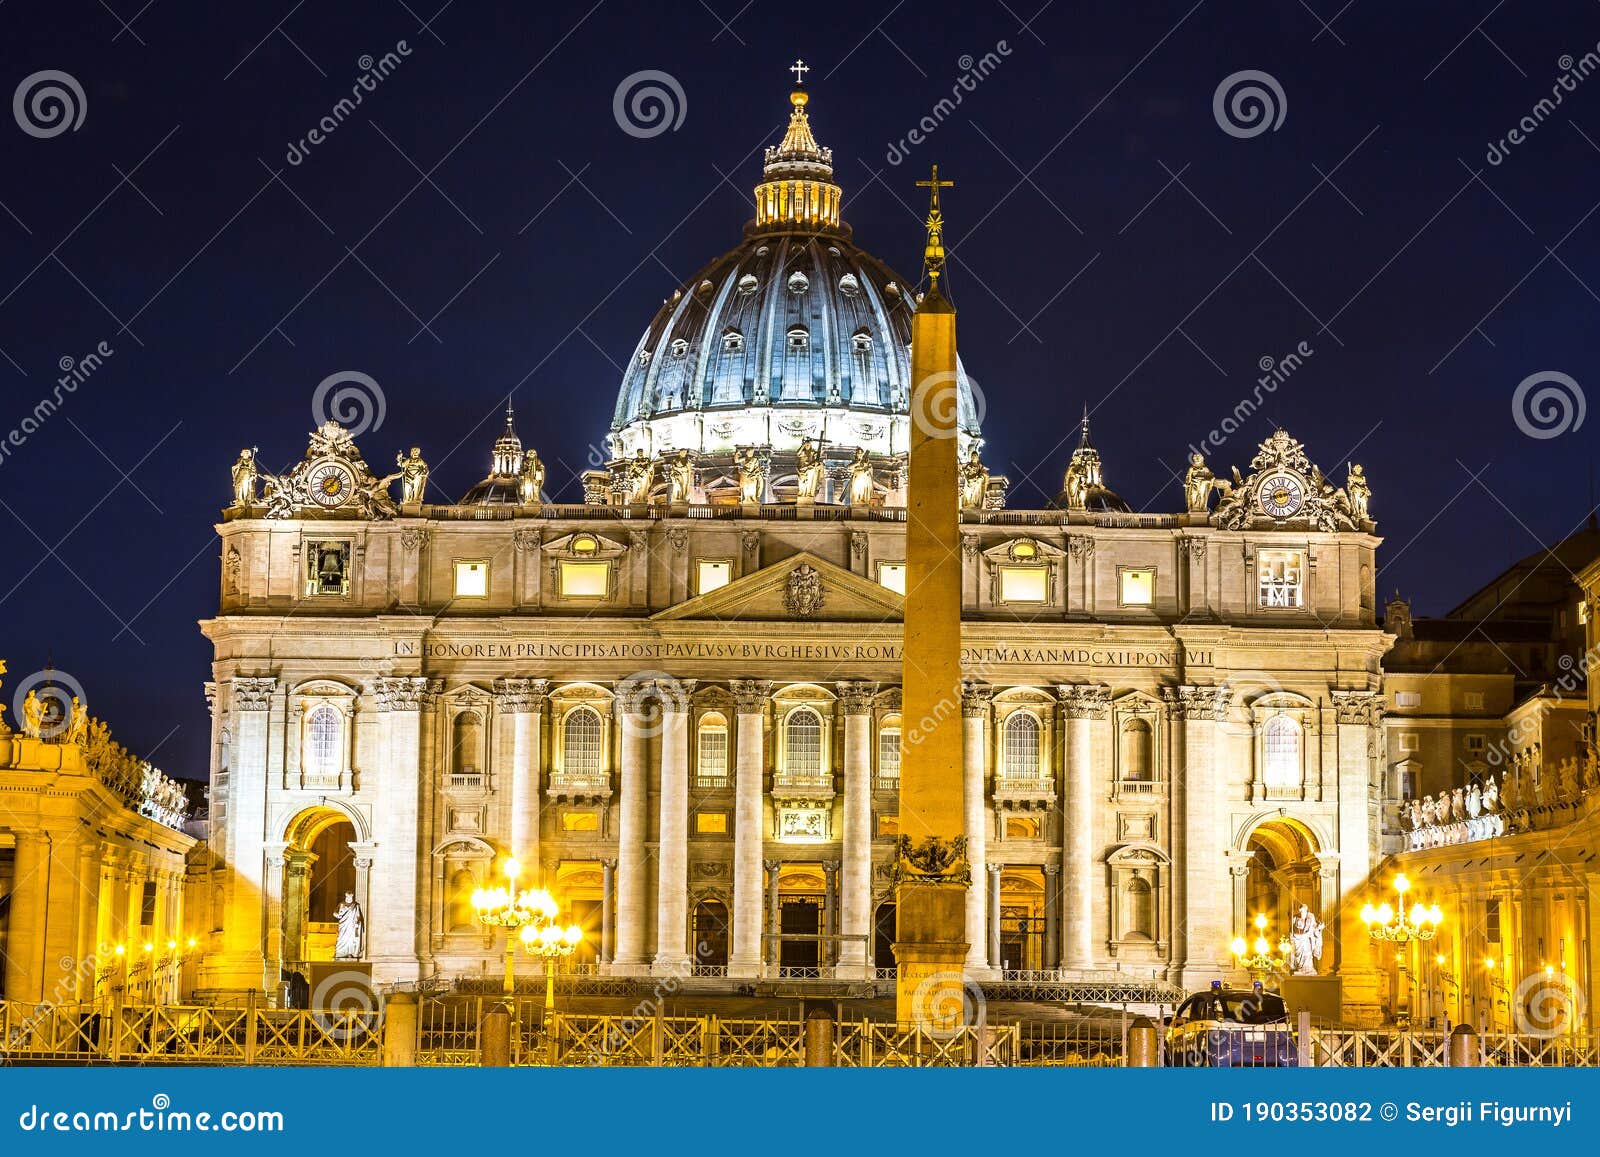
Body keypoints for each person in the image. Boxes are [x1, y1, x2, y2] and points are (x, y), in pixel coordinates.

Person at [334, 892, 364, 960]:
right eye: (347, 897)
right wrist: (337, 915)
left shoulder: (356, 905)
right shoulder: (341, 904)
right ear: (345, 897)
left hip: (351, 926)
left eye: (350, 897)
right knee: (341, 938)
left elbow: (359, 915)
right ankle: (340, 952)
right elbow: (334, 912)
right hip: (343, 925)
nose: (349, 899)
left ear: (352, 898)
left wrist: (357, 923)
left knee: (351, 939)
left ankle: (350, 952)